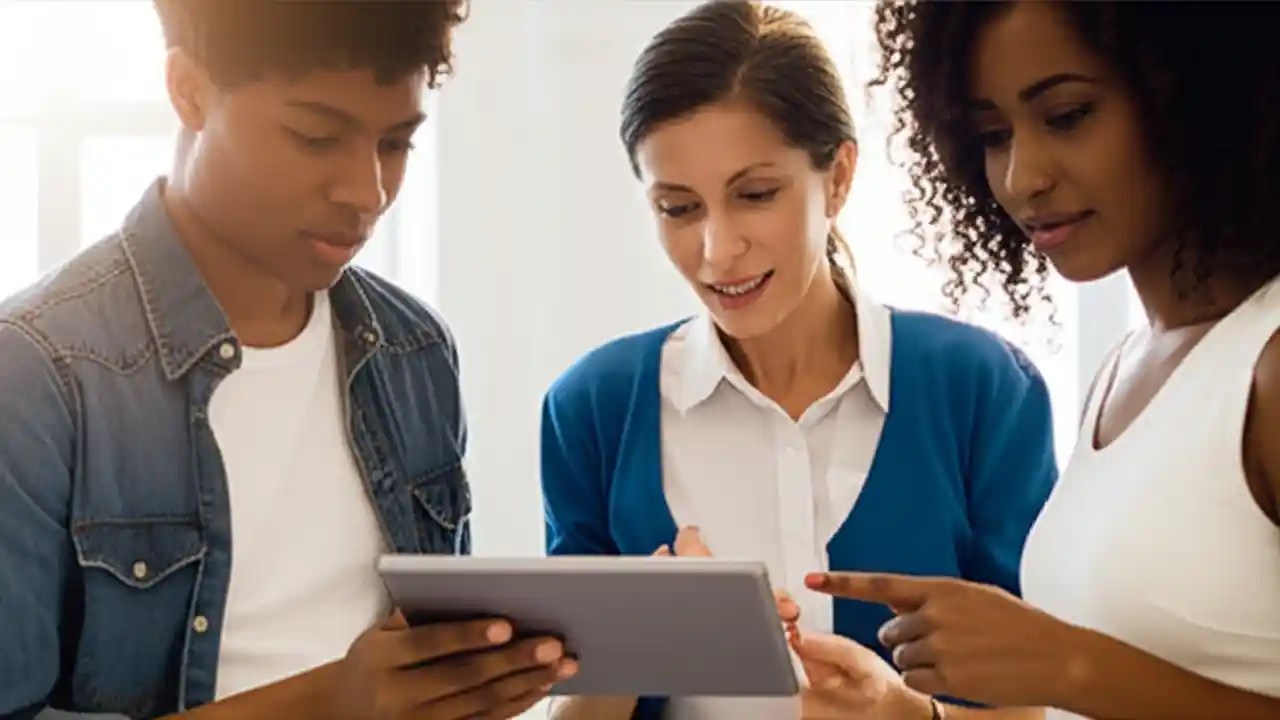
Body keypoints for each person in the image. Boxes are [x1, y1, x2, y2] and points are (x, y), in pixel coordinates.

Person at [0, 2, 577, 718]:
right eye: (315, 138)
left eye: (396, 145)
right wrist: (330, 703)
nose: (366, 193)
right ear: (189, 91)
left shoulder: (415, 349)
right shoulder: (33, 374)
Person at [538, 1, 1056, 718]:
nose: (718, 250)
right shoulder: (592, 408)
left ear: (838, 176)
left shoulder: (984, 390)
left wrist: (909, 716)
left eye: (755, 195)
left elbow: (1042, 702)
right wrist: (636, 635)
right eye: (679, 208)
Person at [807, 1, 1280, 718]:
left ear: (1192, 95)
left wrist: (1067, 664)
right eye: (993, 134)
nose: (1022, 177)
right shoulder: (1127, 371)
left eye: (1067, 115)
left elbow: (1087, 680)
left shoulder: (1268, 368)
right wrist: (909, 712)